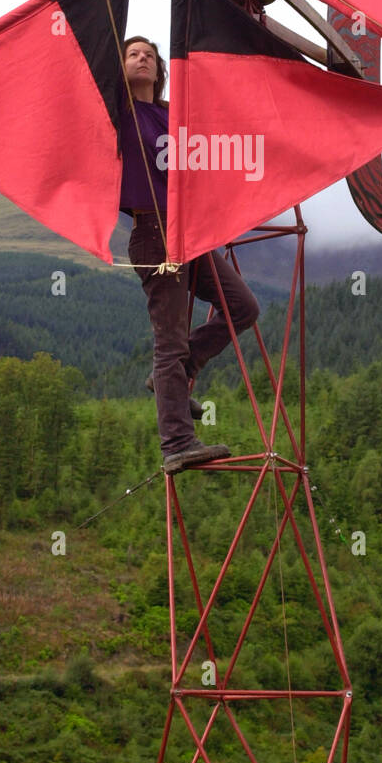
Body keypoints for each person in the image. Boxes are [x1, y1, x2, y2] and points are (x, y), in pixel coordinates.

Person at [118, 35, 260, 474]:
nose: (142, 59)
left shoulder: (171, 114)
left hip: (189, 231)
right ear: (120, 65)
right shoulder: (116, 113)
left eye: (149, 56)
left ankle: (175, 378)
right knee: (170, 341)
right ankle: (177, 442)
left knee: (242, 306)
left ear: (160, 70)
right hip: (153, 233)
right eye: (132, 54)